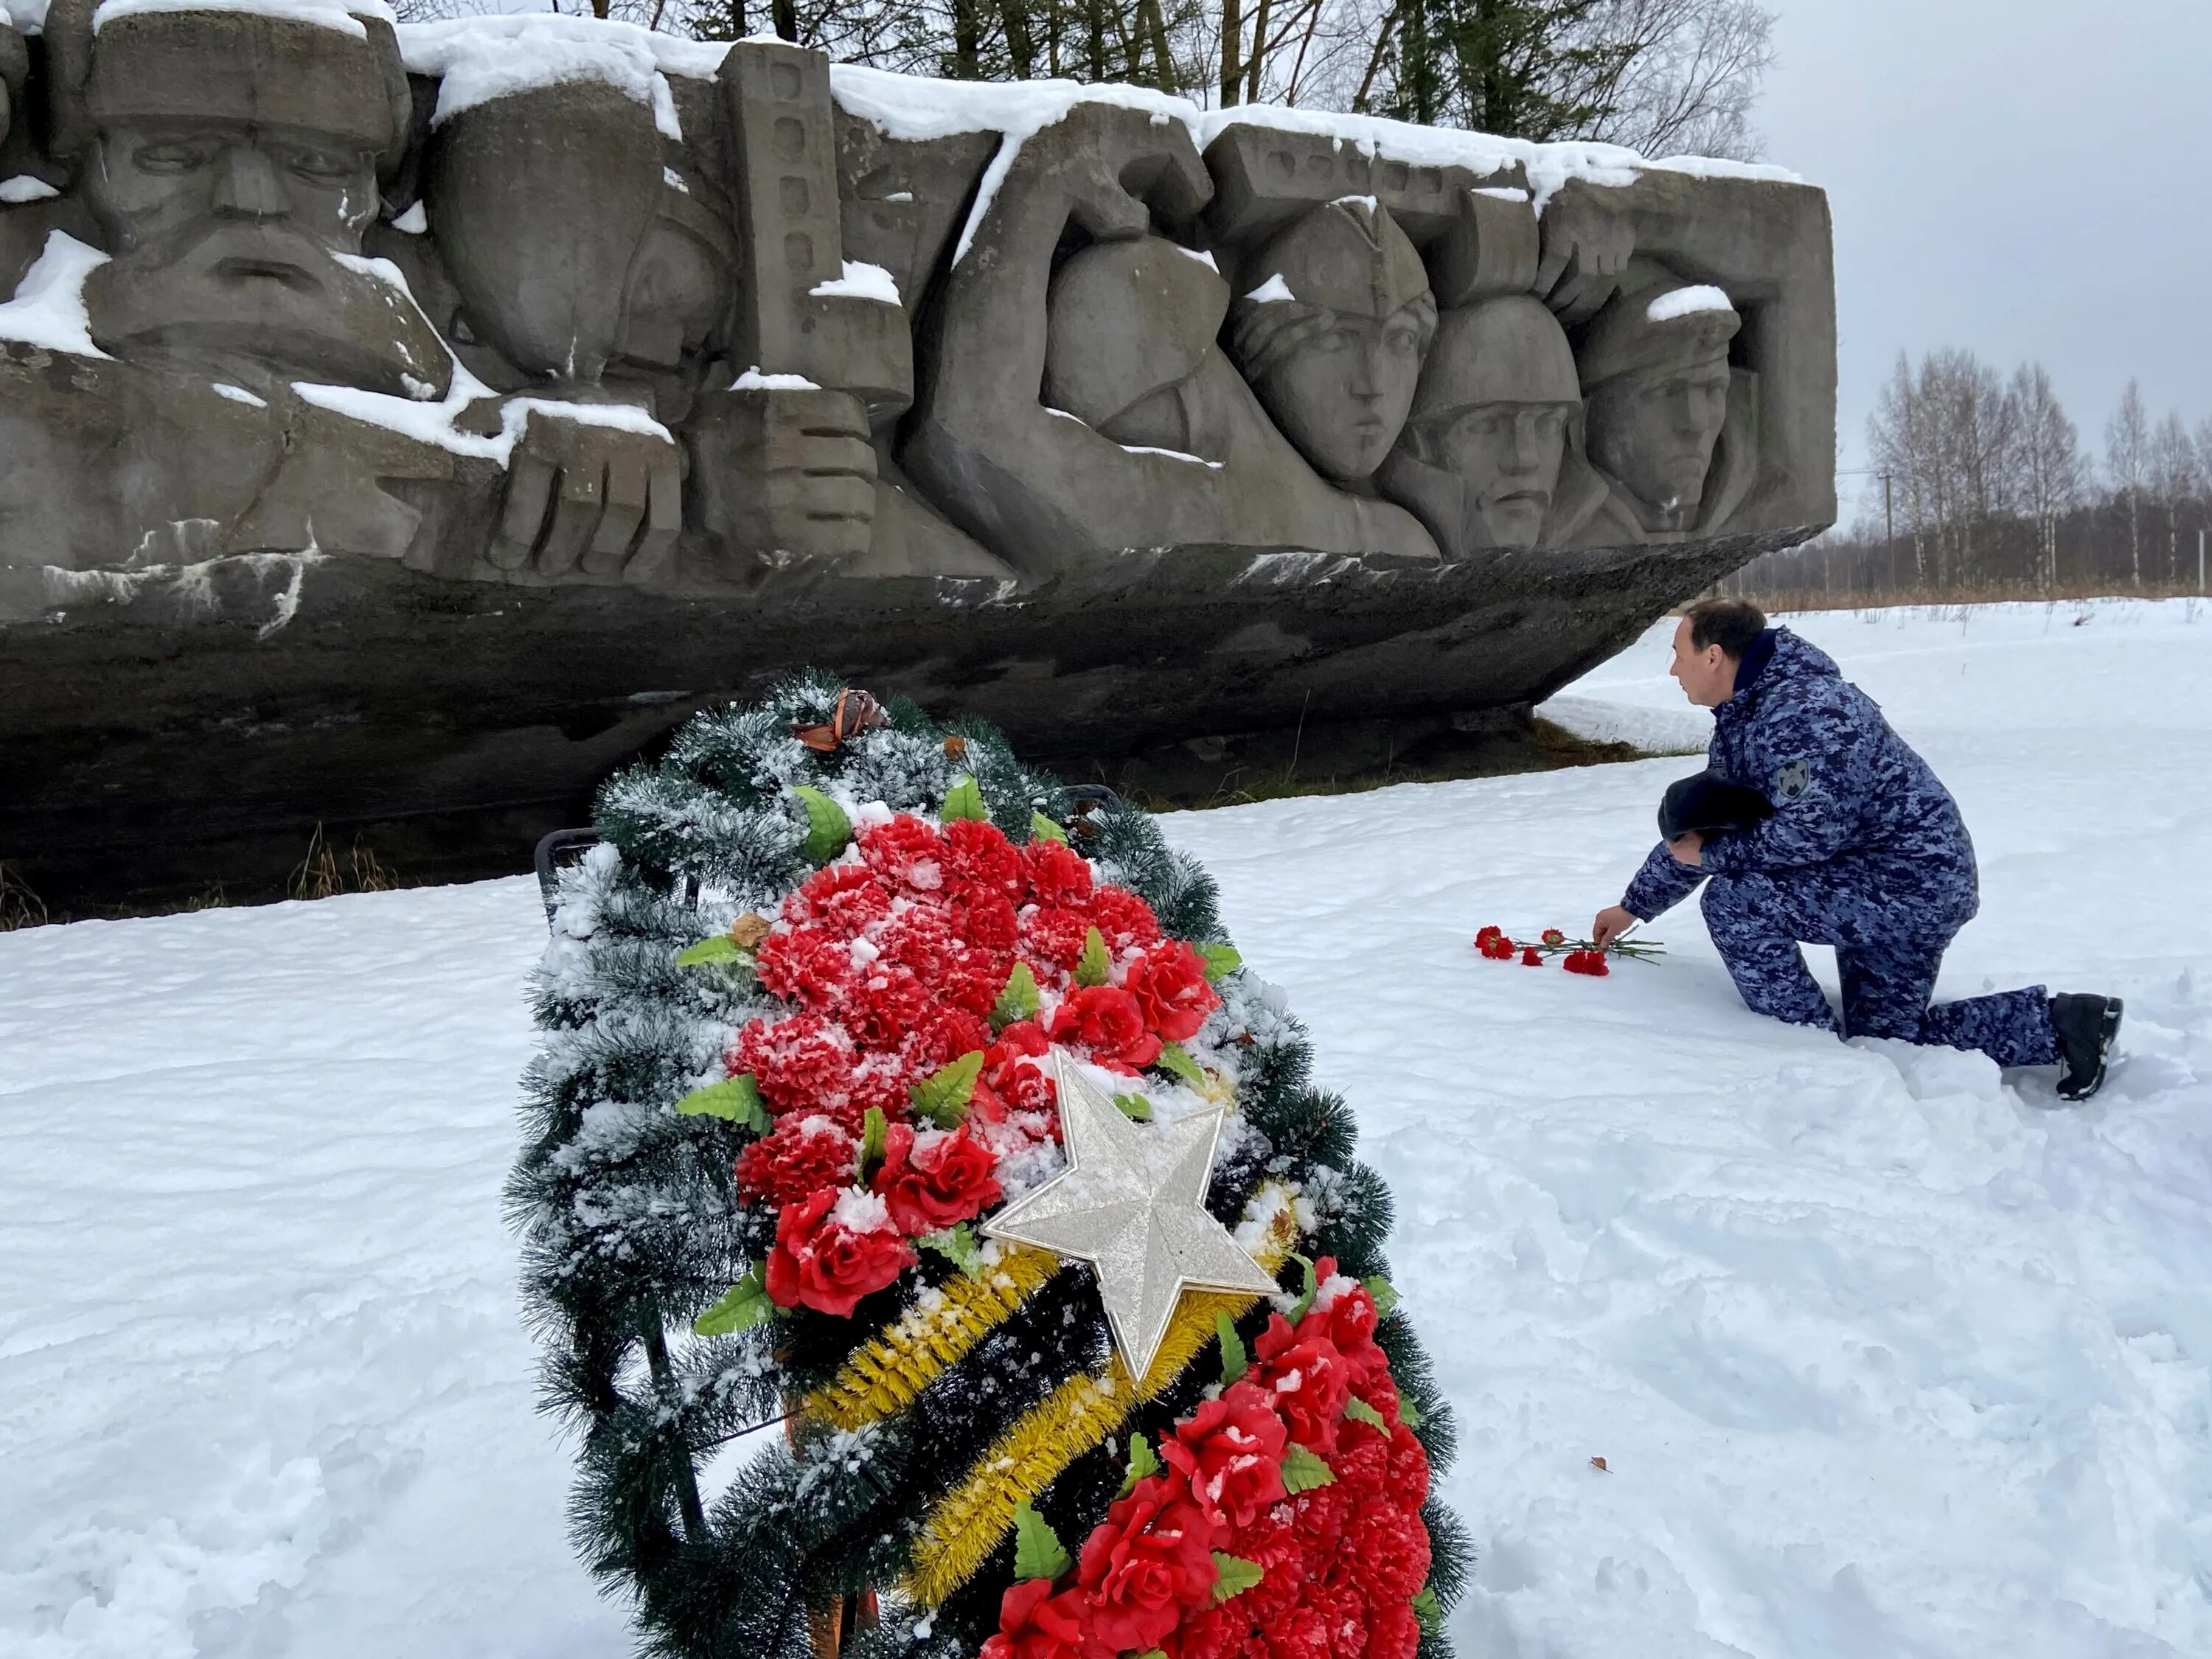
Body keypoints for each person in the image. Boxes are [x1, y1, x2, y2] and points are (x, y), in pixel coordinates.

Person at [1592, 597, 2124, 1099]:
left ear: (1713, 657)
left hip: (1910, 884)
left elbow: (1809, 833)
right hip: (1873, 880)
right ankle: (2065, 1026)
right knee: (1886, 1038)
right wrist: (1634, 906)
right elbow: (1711, 828)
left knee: (1737, 902)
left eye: (1677, 655)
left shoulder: (1808, 712)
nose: (1672, 671)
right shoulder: (1747, 715)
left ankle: (1814, 1060)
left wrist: (1712, 859)